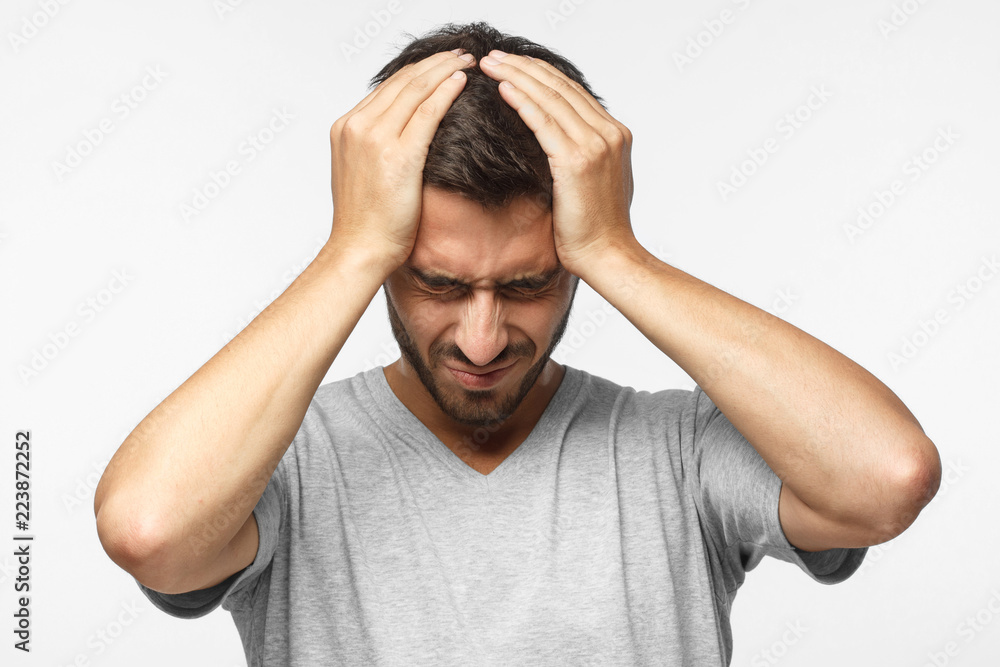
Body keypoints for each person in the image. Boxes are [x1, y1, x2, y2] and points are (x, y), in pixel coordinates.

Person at [93, 21, 941, 666]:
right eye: (439, 282)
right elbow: (149, 527)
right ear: (386, 262)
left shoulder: (682, 453)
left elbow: (887, 476)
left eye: (529, 284)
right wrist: (351, 249)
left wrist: (617, 250)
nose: (483, 337)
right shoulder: (282, 464)